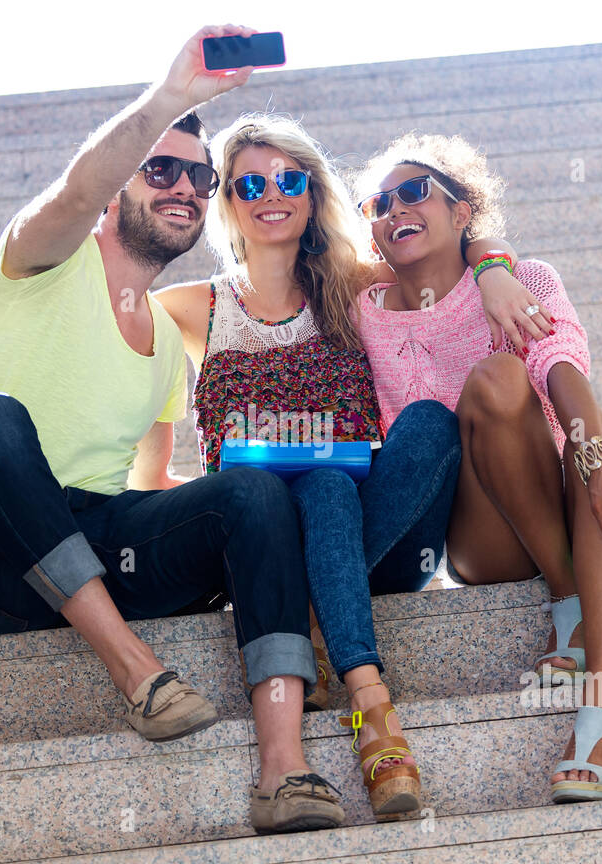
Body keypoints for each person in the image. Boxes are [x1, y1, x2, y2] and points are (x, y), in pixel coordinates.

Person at [0, 27, 345, 835]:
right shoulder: (40, 260)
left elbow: (150, 492)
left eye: (200, 179)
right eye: (160, 169)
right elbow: (75, 190)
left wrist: (259, 528)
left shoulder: (164, 356)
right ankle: (138, 674)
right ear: (120, 188)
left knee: (249, 494)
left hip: (90, 549)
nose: (183, 187)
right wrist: (173, 98)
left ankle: (284, 769)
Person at [154, 114, 548, 817]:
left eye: (289, 178)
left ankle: (317, 623)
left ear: (311, 195)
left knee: (421, 425)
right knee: (323, 488)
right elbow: (117, 331)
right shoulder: (193, 310)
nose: (271, 192)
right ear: (229, 203)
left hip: (382, 536)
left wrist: (492, 270)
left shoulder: (355, 287)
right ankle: (375, 715)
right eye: (250, 182)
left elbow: (453, 235)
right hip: (265, 550)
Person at [354, 133, 602, 803]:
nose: (395, 206)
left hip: (570, 488)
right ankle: (567, 594)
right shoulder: (362, 317)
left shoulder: (530, 278)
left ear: (464, 213)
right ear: (372, 234)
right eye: (379, 202)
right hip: (481, 529)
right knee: (492, 381)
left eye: (416, 191)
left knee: (600, 439)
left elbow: (557, 360)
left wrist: (596, 452)